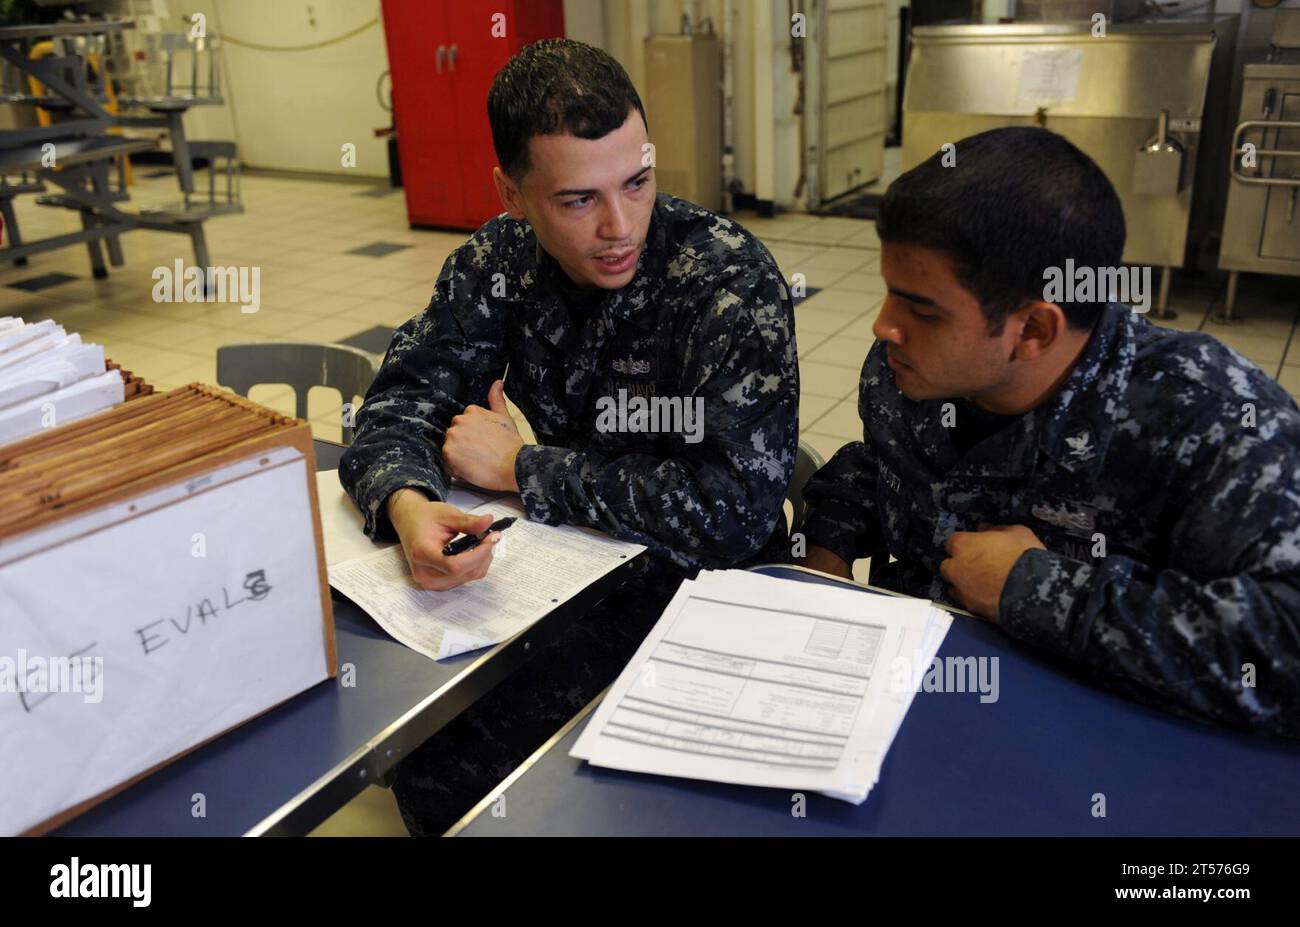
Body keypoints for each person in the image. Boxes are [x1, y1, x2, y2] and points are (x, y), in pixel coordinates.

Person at [340, 38, 798, 833]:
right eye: (577, 200)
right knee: (410, 744)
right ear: (511, 193)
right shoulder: (497, 264)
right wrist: (409, 502)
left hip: (699, 593)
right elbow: (398, 401)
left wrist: (526, 467)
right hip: (562, 572)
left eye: (638, 181)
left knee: (466, 769)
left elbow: (735, 512)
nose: (619, 226)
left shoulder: (725, 280)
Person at [796, 126, 1300, 737]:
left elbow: (1282, 648)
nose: (883, 326)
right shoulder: (909, 368)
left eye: (922, 309)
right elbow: (883, 466)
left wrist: (1033, 589)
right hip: (910, 708)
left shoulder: (1212, 420)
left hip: (1089, 747)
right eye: (890, 295)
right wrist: (824, 554)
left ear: (1034, 328)